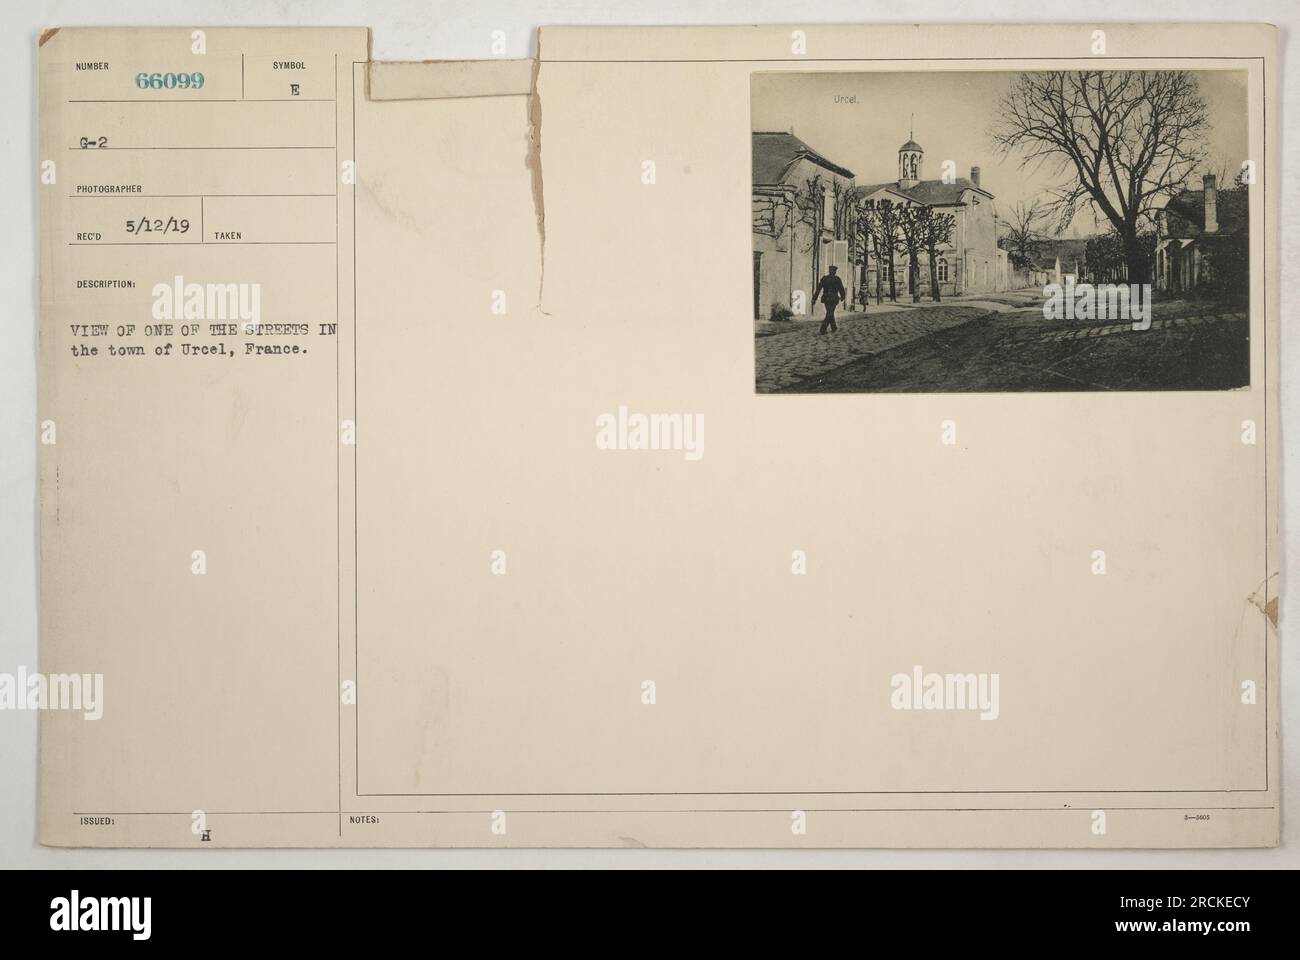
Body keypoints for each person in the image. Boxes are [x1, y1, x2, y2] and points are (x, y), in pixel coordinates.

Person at [813, 265, 847, 334]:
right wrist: (843, 297)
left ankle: (833, 326)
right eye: (833, 271)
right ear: (834, 272)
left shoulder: (825, 278)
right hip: (833, 299)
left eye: (833, 271)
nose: (832, 272)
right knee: (830, 312)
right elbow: (841, 289)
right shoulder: (837, 279)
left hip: (827, 299)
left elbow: (818, 289)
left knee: (830, 312)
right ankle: (823, 329)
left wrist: (814, 298)